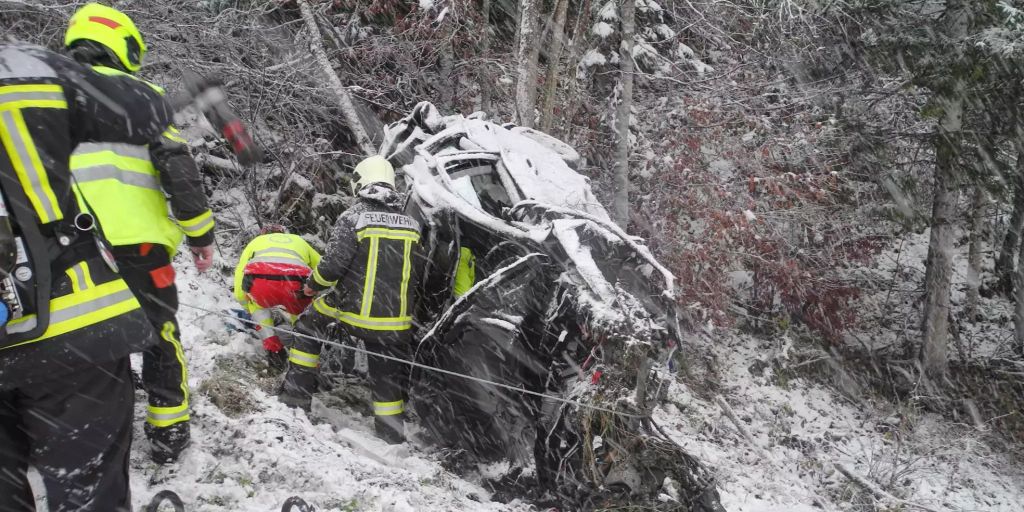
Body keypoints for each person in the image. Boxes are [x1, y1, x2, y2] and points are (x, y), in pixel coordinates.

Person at [0, 41, 174, 510]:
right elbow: (143, 109)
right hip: (71, 329)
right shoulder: (25, 68)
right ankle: (171, 433)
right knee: (88, 490)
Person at [62, 2, 216, 464]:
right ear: (122, 44)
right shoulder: (141, 97)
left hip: (67, 247)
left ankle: (92, 431)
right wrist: (200, 235)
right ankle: (168, 431)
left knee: (83, 336)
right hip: (141, 246)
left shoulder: (44, 98)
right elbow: (179, 171)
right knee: (159, 333)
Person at [280, 156, 421, 444]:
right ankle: (391, 435)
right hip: (396, 321)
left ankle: (294, 400)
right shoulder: (412, 224)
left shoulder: (354, 218)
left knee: (308, 326)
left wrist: (310, 287)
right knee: (386, 373)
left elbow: (332, 266)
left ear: (361, 182)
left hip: (354, 311)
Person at [233, 226, 320, 369]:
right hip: (295, 284)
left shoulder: (256, 241)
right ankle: (302, 347)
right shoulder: (298, 240)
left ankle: (273, 346)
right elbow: (322, 266)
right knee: (300, 315)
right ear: (284, 234)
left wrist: (246, 304)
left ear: (264, 233)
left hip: (262, 284)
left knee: (257, 304)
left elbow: (240, 273)